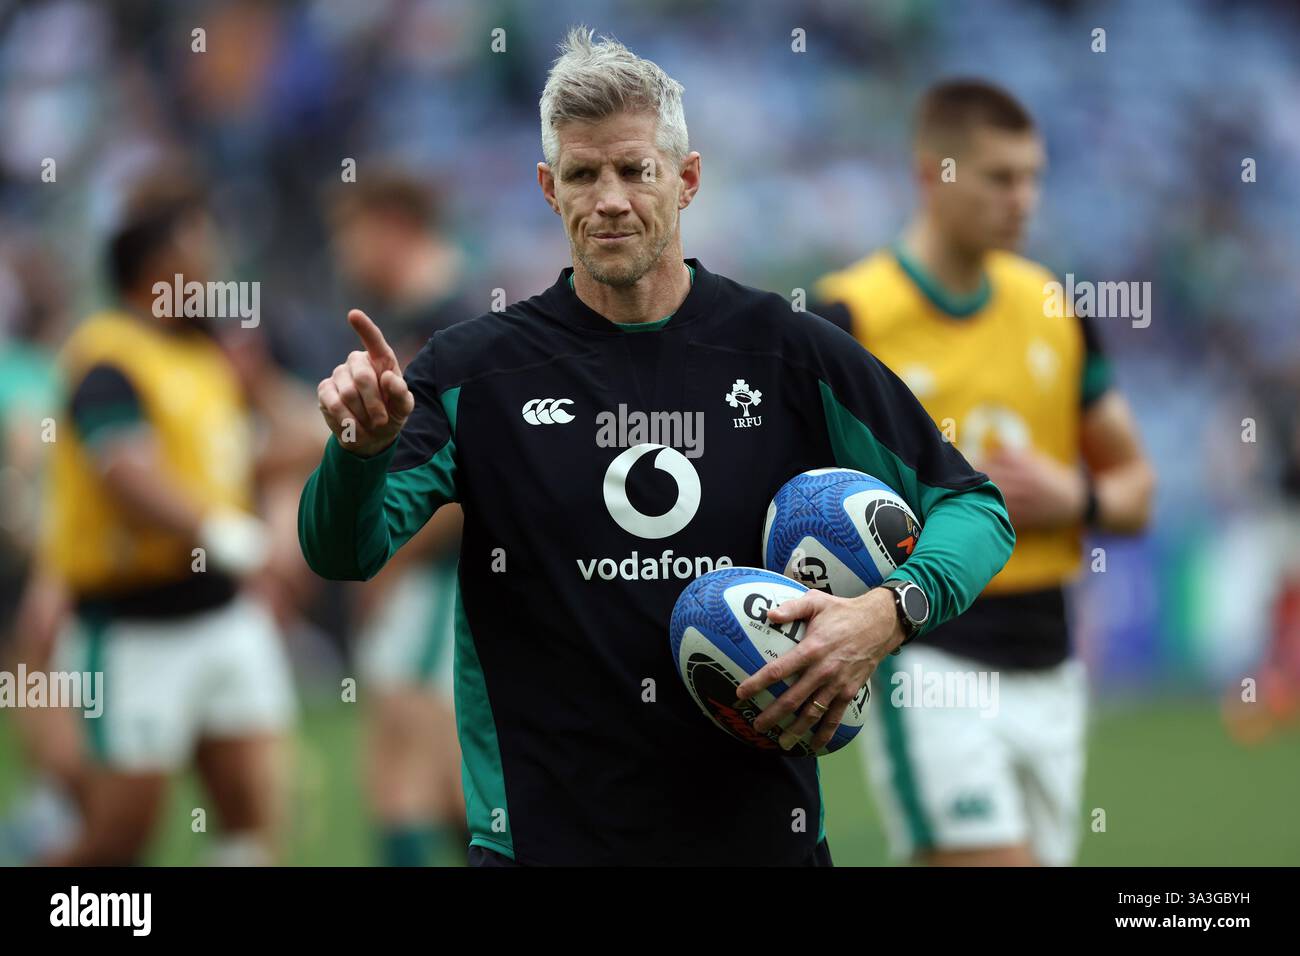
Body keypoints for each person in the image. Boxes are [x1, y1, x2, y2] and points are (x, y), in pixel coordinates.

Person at [298, 28, 1014, 866]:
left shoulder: (787, 350)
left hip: (761, 845)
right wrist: (360, 452)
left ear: (687, 180)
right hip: (544, 844)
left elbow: (974, 507)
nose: (609, 199)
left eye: (635, 170)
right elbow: (344, 552)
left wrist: (883, 614)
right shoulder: (471, 371)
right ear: (546, 188)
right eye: (582, 174)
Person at [810, 80, 1155, 866]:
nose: (1024, 199)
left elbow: (1138, 490)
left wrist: (1079, 496)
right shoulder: (849, 318)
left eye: (1033, 176)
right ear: (934, 175)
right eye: (1001, 177)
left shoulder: (1054, 309)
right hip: (930, 652)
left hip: (1052, 661)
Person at [40, 172, 296, 865]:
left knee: (252, 809)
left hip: (222, 613)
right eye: (197, 246)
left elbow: (240, 460)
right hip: (134, 627)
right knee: (118, 842)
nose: (212, 261)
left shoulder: (207, 351)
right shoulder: (107, 356)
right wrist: (228, 534)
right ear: (158, 266)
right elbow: (127, 472)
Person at [326, 172, 472, 865]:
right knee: (446, 788)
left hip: (439, 580)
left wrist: (388, 565)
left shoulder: (450, 322)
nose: (341, 254)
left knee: (410, 780)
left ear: (391, 224)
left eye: (348, 234)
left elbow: (459, 477)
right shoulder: (431, 317)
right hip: (438, 580)